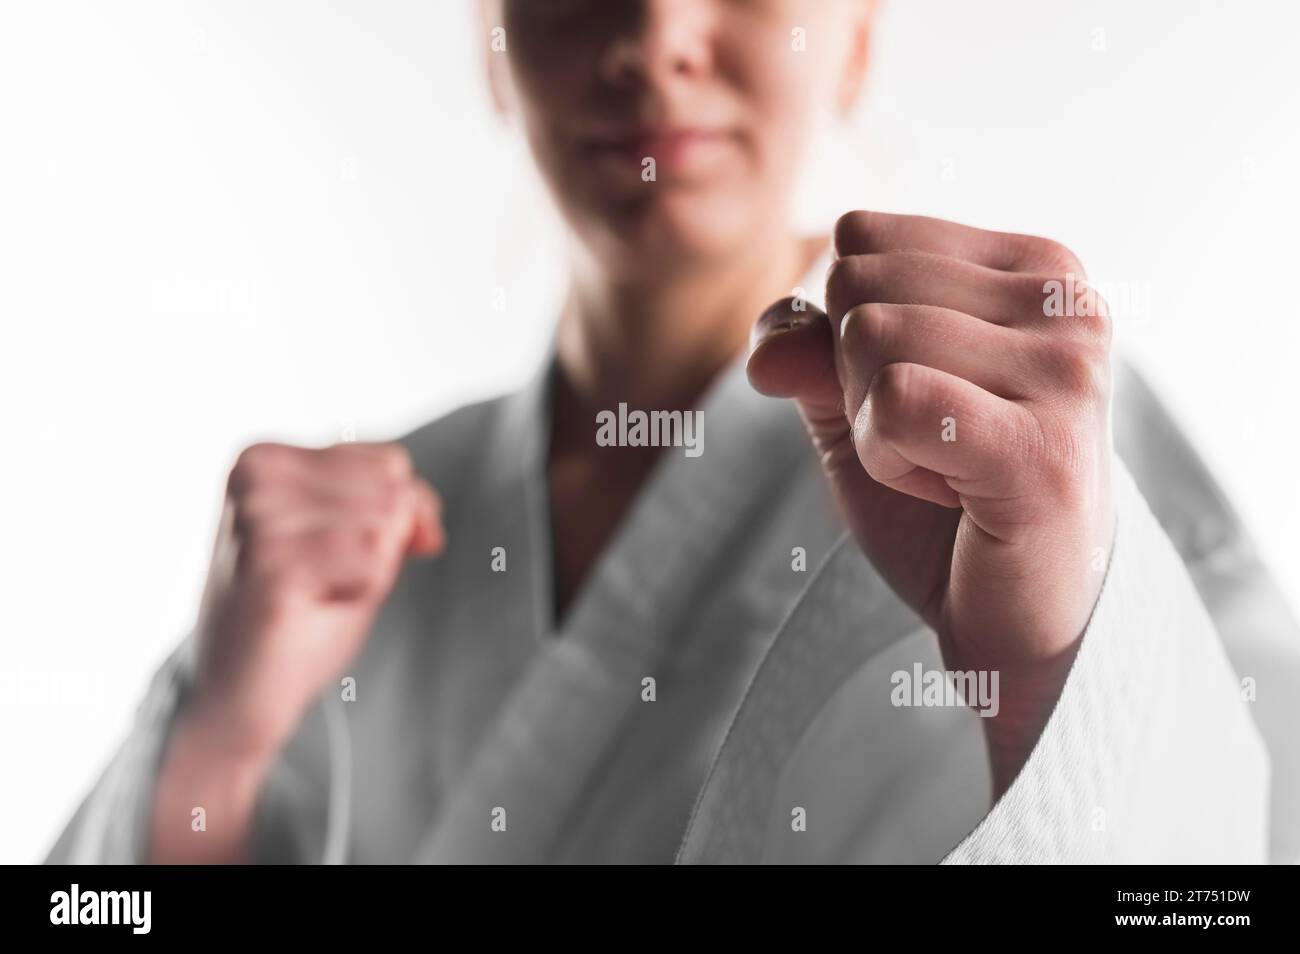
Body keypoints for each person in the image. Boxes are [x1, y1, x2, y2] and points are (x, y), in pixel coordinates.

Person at [47, 0, 1299, 865]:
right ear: (493, 41)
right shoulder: (335, 546)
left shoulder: (1040, 474)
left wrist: (1052, 686)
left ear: (852, 39)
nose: (654, 35)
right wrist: (214, 742)